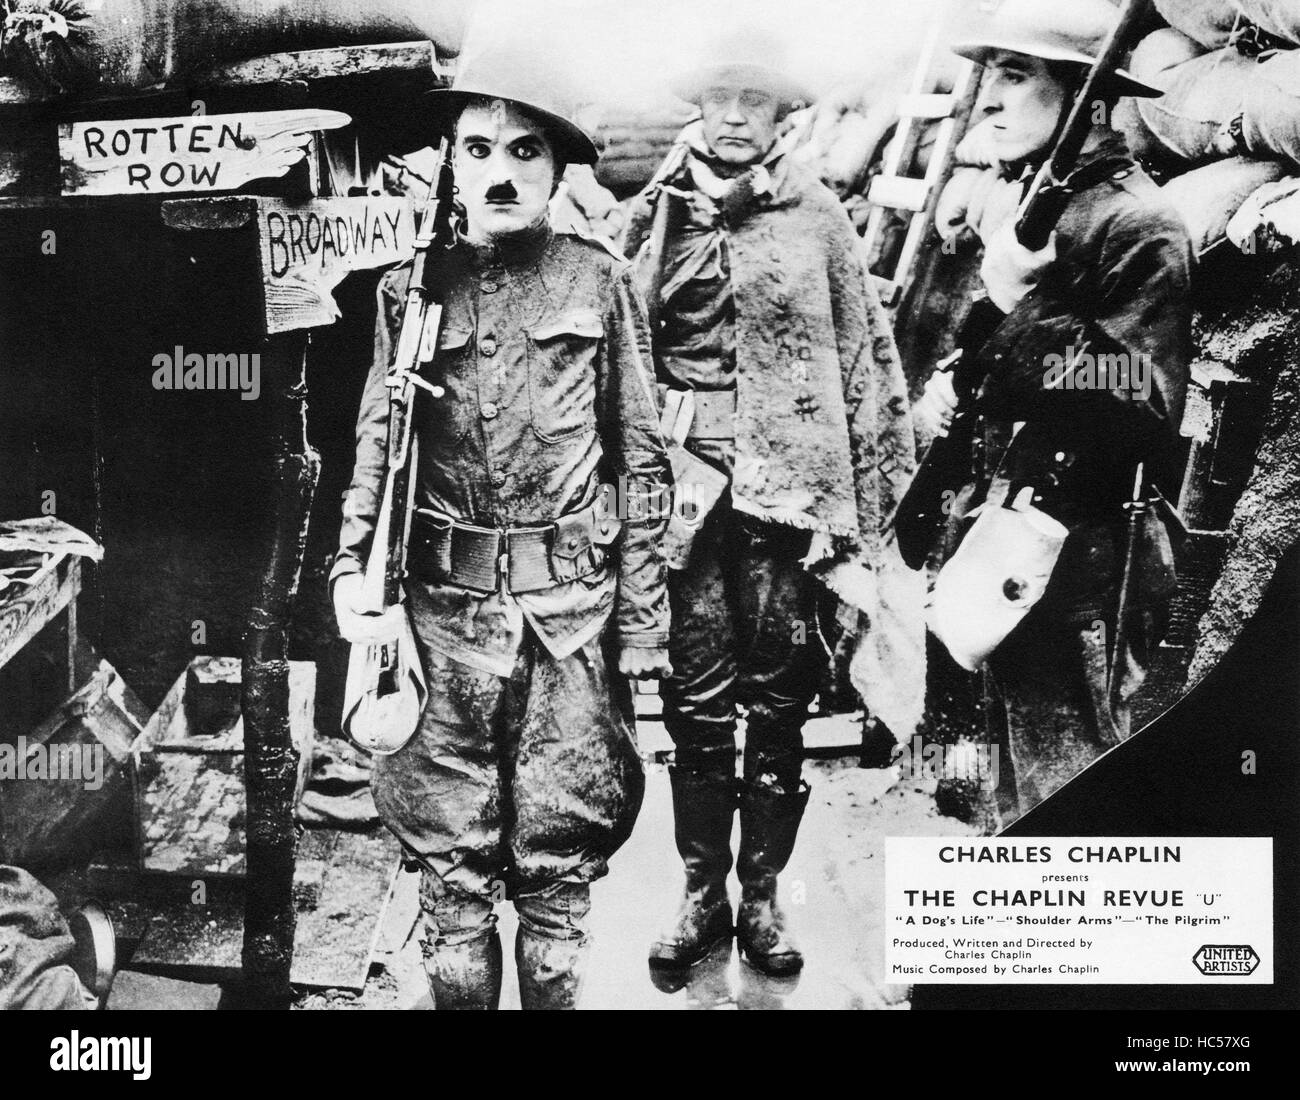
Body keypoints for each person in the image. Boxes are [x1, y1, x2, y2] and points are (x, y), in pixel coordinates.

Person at [331, 39, 672, 1010]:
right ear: (450, 159)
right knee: (454, 885)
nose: (499, 170)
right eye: (477, 148)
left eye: (526, 150)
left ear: (560, 167)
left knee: (558, 882)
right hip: (444, 630)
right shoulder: (412, 289)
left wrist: (642, 631)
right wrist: (355, 569)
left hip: (571, 627)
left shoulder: (596, 282)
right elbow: (375, 444)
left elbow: (641, 464)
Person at [623, 30, 918, 976]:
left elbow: (868, 359)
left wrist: (871, 510)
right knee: (696, 701)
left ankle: (764, 900)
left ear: (782, 112)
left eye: (756, 99)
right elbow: (616, 353)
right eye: (721, 97)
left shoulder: (816, 214)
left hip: (786, 499)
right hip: (682, 499)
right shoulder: (654, 214)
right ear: (698, 109)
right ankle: (700, 893)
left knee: (780, 699)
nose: (737, 114)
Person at [915, 0, 1194, 824]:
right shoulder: (1026, 207)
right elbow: (994, 372)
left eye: (1015, 76)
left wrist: (1023, 308)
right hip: (980, 539)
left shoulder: (1140, 223)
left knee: (1064, 792)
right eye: (985, 77)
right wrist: (953, 389)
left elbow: (1141, 398)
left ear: (1089, 102)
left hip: (1072, 564)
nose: (986, 101)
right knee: (972, 786)